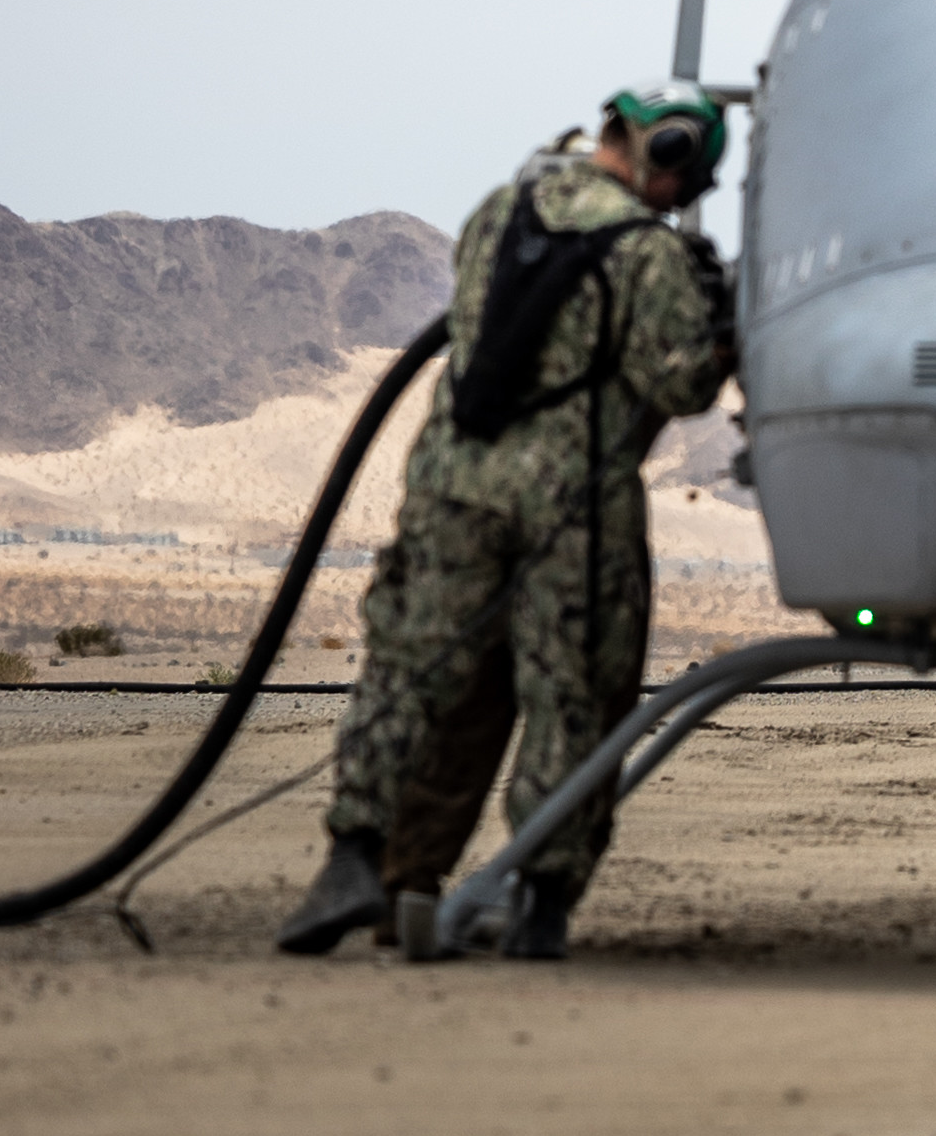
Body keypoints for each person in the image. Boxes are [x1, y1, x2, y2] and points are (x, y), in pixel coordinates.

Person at [276, 84, 737, 961]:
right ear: (668, 153)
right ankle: (541, 897)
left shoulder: (500, 210)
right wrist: (713, 327)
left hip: (452, 484)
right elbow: (680, 386)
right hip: (570, 505)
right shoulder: (646, 253)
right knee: (573, 692)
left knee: (413, 667)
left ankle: (357, 859)